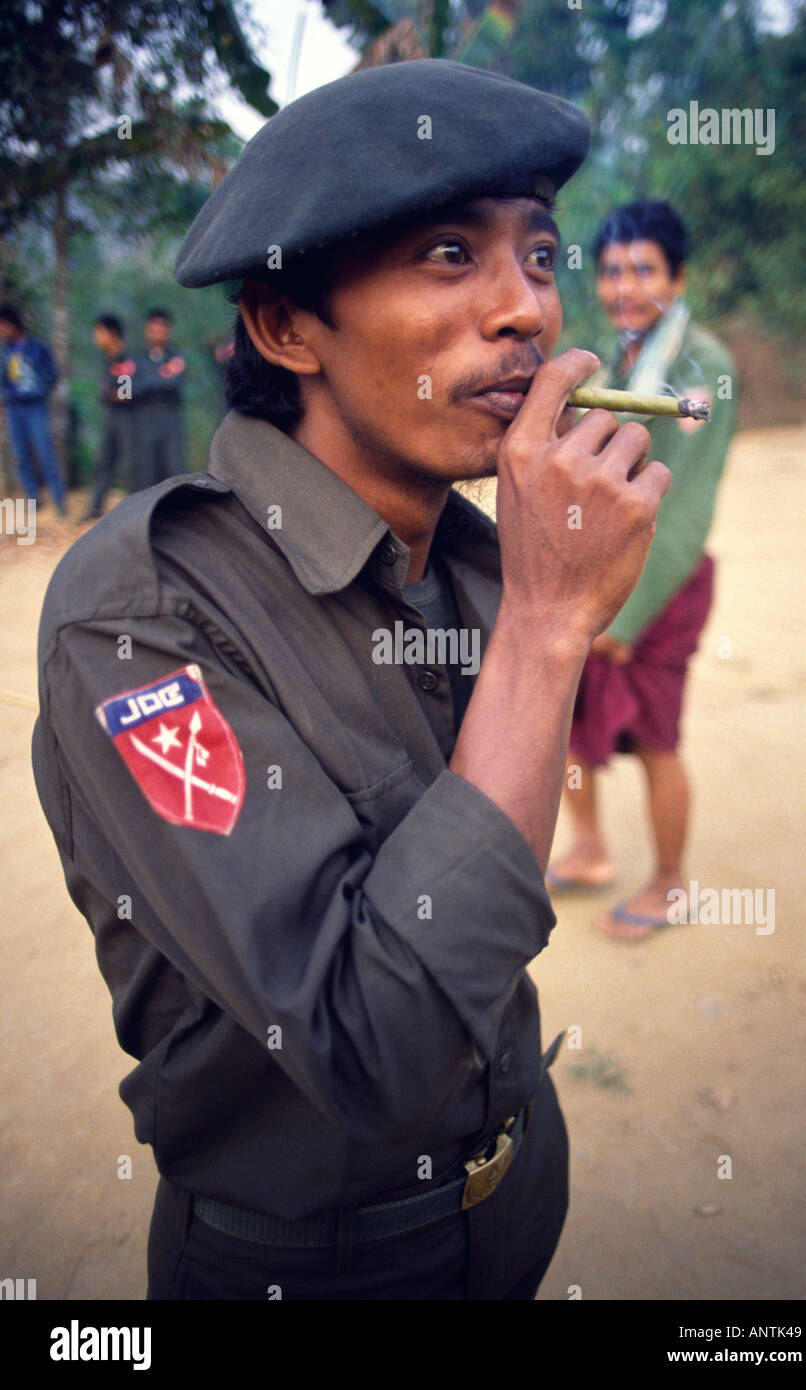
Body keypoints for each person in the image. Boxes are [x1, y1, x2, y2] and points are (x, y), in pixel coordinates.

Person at [31, 60, 668, 1301]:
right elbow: (371, 1042)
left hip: (515, 1199)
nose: (527, 310)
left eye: (539, 255)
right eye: (446, 254)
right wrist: (549, 631)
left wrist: (537, 604)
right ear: (284, 327)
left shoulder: (484, 553)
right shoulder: (144, 610)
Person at [546, 198, 737, 938]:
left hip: (657, 587)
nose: (626, 287)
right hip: (595, 575)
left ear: (679, 277)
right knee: (566, 722)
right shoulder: (607, 352)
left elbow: (685, 502)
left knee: (657, 739)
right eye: (614, 271)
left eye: (645, 271)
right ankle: (590, 849)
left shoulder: (707, 366)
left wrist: (624, 614)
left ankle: (670, 882)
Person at [0, 303, 66, 516]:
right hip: (14, 407)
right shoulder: (5, 351)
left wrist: (41, 390)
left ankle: (59, 501)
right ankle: (33, 500)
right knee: (21, 456)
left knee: (45, 452)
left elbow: (52, 374)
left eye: (3, 326)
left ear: (12, 324)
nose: (2, 331)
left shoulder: (37, 347)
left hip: (35, 406)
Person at [83, 315, 139, 520]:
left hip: (128, 418)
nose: (96, 337)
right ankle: (95, 508)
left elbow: (125, 395)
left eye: (99, 332)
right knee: (103, 461)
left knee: (131, 464)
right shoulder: (108, 358)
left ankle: (135, 509)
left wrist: (108, 394)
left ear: (111, 333)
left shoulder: (125, 358)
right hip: (112, 417)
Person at [132, 309, 186, 487]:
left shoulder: (177, 358)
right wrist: (162, 375)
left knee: (175, 469)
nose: (158, 333)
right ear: (147, 330)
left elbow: (175, 384)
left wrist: (146, 382)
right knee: (146, 471)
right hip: (144, 419)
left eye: (162, 328)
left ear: (169, 331)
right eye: (154, 329)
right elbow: (127, 392)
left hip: (170, 418)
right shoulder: (134, 359)